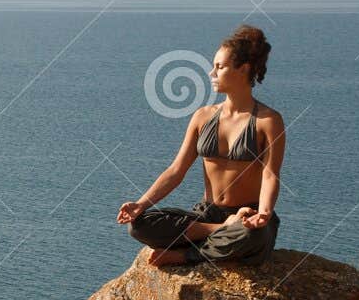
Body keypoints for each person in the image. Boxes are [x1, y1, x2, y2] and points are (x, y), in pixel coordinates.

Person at [118, 25, 284, 266]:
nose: (211, 73)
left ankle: (187, 254)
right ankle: (216, 231)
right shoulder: (203, 116)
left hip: (247, 215)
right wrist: (141, 204)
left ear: (243, 69)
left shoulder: (268, 121)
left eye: (220, 67)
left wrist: (264, 213)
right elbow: (177, 170)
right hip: (208, 213)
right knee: (140, 226)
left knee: (251, 236)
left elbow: (270, 176)